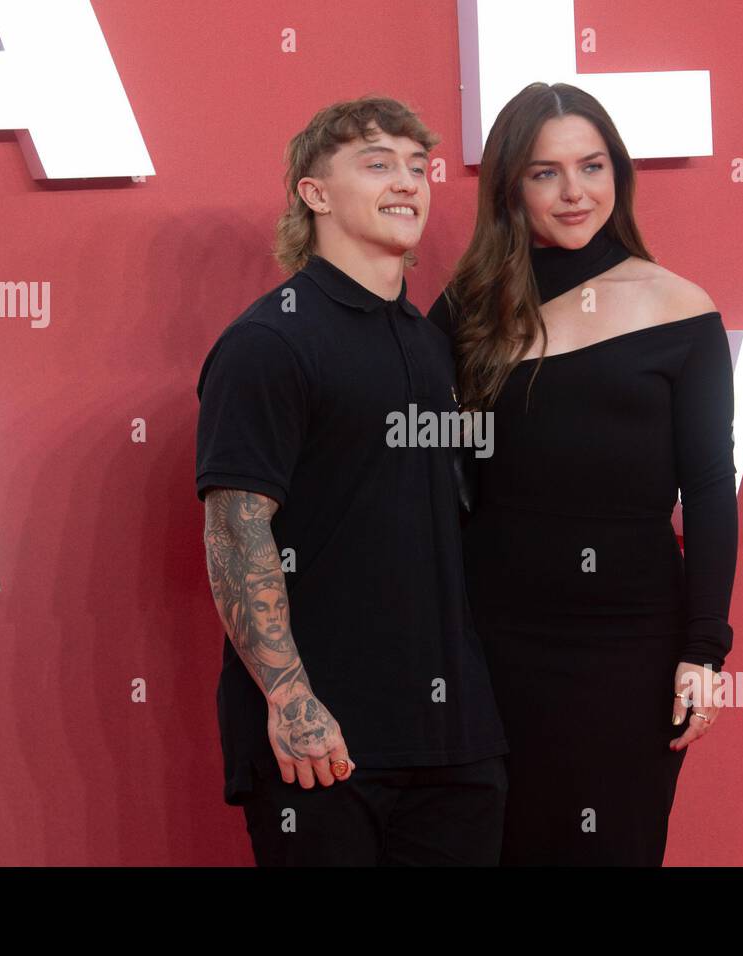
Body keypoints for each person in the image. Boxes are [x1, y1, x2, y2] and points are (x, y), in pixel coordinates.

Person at [427, 81, 739, 865]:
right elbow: (425, 468)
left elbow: (706, 490)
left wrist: (703, 651)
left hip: (628, 647)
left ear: (618, 175)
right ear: (509, 186)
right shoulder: (467, 310)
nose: (575, 193)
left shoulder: (680, 309)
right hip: (492, 643)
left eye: (592, 167)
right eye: (545, 173)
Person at [195, 95, 509, 866]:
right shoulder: (269, 341)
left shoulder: (433, 344)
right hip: (322, 740)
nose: (406, 181)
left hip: (454, 744)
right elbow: (236, 529)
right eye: (376, 163)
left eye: (416, 165)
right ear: (315, 192)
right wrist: (291, 700)